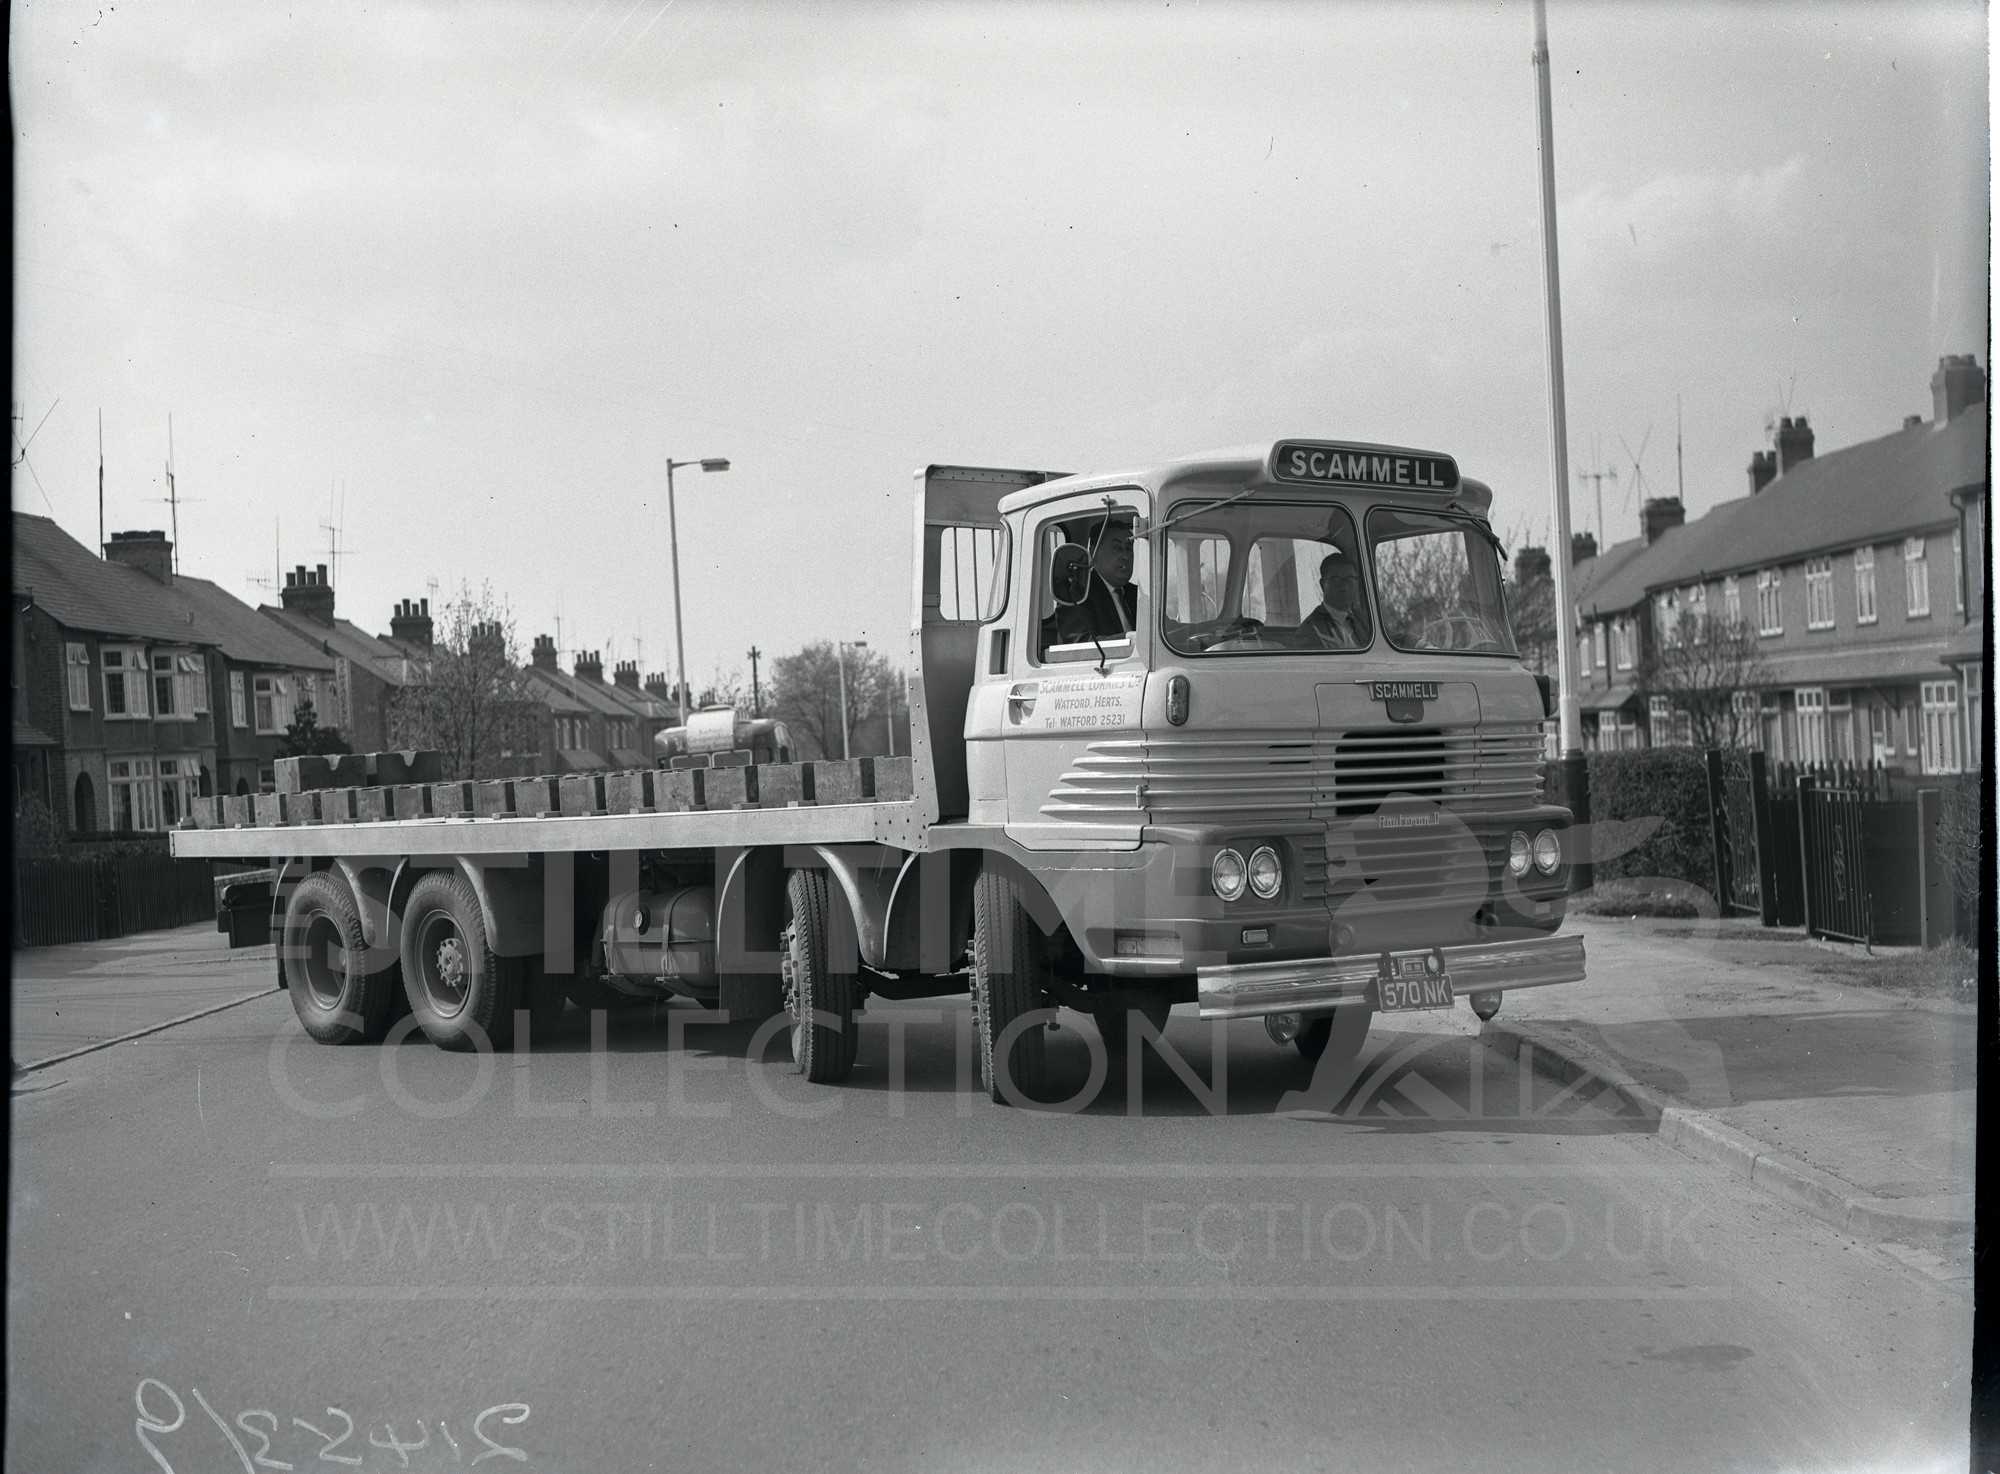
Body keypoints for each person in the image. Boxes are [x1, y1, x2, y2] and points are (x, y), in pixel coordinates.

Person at [1041, 516, 1139, 651]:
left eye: (1129, 548)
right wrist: (1129, 639)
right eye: (1117, 548)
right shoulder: (1077, 593)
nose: (1125, 556)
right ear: (1093, 552)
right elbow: (1078, 644)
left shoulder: (1138, 595)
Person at [1301, 548, 1372, 648]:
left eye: (1349, 578)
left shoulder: (1365, 620)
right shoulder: (1310, 629)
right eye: (1336, 579)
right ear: (1322, 585)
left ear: (1357, 583)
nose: (1344, 585)